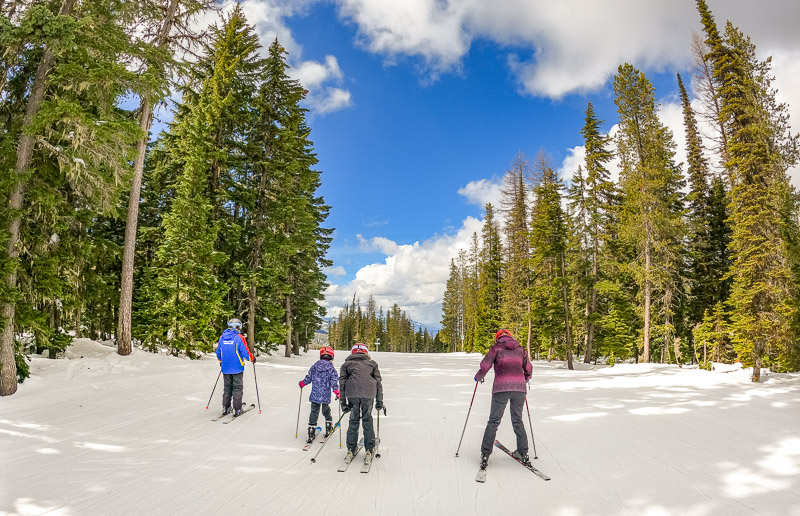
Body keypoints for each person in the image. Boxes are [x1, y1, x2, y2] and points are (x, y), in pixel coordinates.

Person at [474, 329, 532, 469]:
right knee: (517, 420)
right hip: (519, 389)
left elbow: (485, 365)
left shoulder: (496, 348)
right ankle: (523, 453)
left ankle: (485, 454)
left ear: (498, 338)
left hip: (501, 388)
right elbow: (528, 368)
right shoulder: (521, 349)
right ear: (510, 337)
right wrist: (524, 379)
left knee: (494, 421)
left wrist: (478, 377)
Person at [339, 343, 384, 463]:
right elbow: (378, 383)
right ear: (366, 352)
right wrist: (379, 400)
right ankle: (369, 448)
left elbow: (342, 383)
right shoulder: (372, 364)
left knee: (353, 420)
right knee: (367, 419)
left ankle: (350, 448)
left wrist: (342, 401)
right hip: (368, 395)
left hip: (352, 394)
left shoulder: (346, 364)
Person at [299, 346, 340, 442]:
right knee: (326, 410)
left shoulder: (315, 366)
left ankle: (311, 430)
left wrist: (303, 383)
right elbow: (334, 381)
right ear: (331, 357)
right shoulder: (331, 368)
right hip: (325, 395)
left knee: (314, 412)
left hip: (315, 395)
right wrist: (336, 391)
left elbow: (308, 378)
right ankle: (328, 425)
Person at [215, 318, 254, 416]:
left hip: (226, 368)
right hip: (237, 368)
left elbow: (218, 351)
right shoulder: (239, 337)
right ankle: (237, 409)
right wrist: (252, 358)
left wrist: (221, 361)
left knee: (227, 388)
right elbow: (245, 351)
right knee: (237, 388)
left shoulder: (222, 337)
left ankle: (226, 407)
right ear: (238, 327)